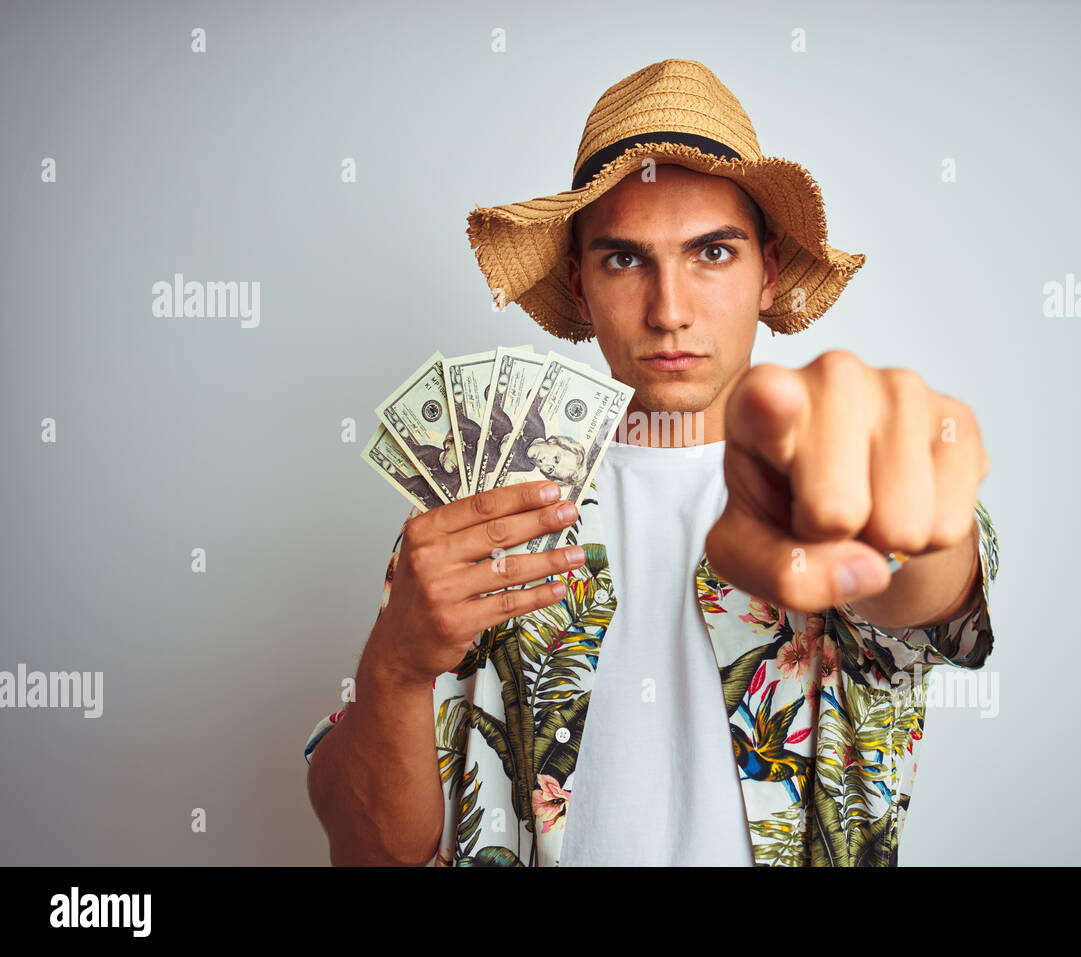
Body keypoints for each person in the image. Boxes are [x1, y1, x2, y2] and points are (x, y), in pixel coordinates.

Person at [305, 58, 999, 867]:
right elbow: (367, 851)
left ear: (769, 271)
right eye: (625, 259)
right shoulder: (477, 516)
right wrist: (391, 667)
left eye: (711, 252)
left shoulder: (837, 474)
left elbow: (931, 590)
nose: (670, 310)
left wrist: (912, 518)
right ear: (579, 280)